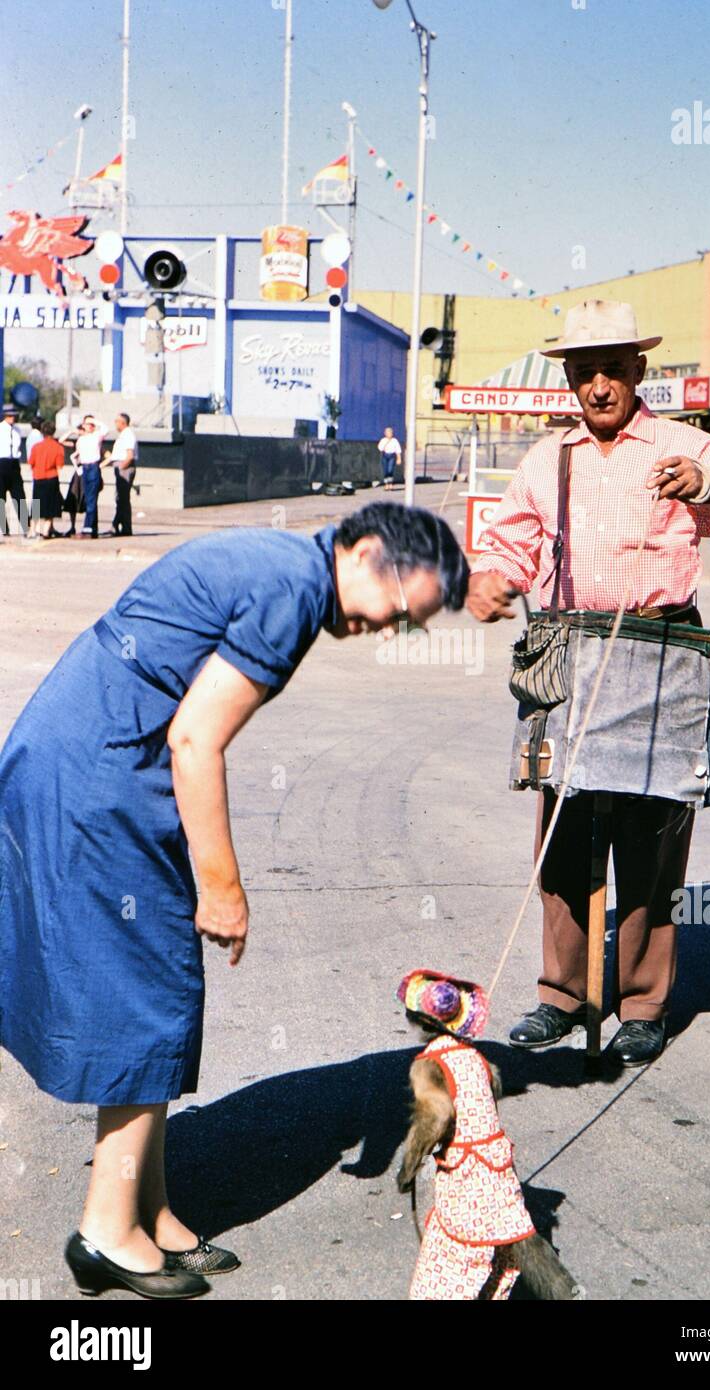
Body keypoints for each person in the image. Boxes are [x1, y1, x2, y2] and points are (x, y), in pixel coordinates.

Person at [0, 502, 469, 1300]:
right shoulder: (291, 593)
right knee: (146, 998)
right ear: (363, 551)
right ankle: (105, 1233)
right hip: (100, 775)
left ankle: (147, 1210)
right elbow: (195, 738)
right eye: (400, 605)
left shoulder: (286, 569)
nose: (391, 625)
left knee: (156, 989)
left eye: (410, 623)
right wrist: (223, 888)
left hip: (84, 756)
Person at [467, 299, 710, 1066]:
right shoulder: (549, 460)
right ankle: (561, 996)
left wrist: (706, 486)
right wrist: (496, 579)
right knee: (563, 828)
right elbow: (512, 543)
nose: (599, 384)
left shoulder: (684, 444)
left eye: (613, 368)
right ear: (567, 378)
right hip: (571, 651)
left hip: (660, 649)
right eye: (583, 371)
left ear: (640, 369)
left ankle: (642, 1004)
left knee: (651, 840)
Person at [70, 413, 109, 538]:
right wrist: (78, 467)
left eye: (91, 425)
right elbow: (77, 456)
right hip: (85, 467)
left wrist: (94, 421)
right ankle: (93, 527)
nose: (89, 426)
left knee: (91, 498)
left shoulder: (96, 436)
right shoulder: (81, 439)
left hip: (93, 467)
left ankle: (87, 528)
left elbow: (105, 429)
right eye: (87, 424)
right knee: (88, 498)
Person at [27, 419, 66, 539]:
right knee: (51, 506)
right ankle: (45, 531)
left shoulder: (36, 447)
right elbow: (59, 465)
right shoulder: (58, 447)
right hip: (51, 478)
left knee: (36, 504)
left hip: (38, 477)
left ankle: (32, 530)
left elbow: (31, 463)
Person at [0, 404, 29, 538]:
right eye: (10, 415)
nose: (12, 418)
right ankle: (3, 528)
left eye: (14, 415)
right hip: (2, 462)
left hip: (14, 464)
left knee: (19, 496)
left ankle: (26, 527)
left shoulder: (17, 430)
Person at [109, 411, 138, 536]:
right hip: (120, 466)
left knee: (123, 499)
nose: (115, 423)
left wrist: (121, 468)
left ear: (123, 423)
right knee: (120, 498)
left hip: (125, 468)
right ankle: (118, 525)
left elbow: (129, 456)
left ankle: (123, 526)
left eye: (117, 421)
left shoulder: (128, 435)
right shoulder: (122, 435)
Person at [377, 426, 402, 491]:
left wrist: (399, 458)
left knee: (390, 470)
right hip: (385, 455)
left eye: (390, 432)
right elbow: (380, 448)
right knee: (385, 471)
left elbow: (398, 450)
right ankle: (386, 485)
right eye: (387, 432)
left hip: (392, 456)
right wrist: (386, 442)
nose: (389, 434)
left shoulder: (395, 440)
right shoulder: (383, 440)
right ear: (385, 433)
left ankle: (390, 484)